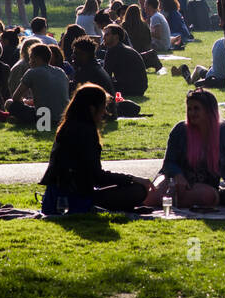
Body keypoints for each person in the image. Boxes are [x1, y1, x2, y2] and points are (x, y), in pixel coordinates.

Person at [39, 84, 153, 214]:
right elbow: (97, 176)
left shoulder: (66, 127)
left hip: (55, 197)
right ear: (92, 109)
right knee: (138, 190)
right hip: (76, 199)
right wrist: (132, 179)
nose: (105, 112)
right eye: (103, 108)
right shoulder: (87, 132)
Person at [147, 90, 225, 209]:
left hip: (201, 187)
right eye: (189, 109)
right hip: (174, 180)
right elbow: (168, 163)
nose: (191, 113)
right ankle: (179, 201)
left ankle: (179, 201)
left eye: (196, 108)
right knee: (149, 198)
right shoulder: (180, 130)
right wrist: (178, 176)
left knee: (207, 197)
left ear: (209, 110)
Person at [0, 43, 70, 129]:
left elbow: (15, 97)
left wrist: (25, 101)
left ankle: (18, 119)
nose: (29, 62)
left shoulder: (32, 72)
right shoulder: (61, 72)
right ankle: (19, 120)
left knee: (9, 103)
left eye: (30, 58)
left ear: (36, 58)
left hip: (44, 118)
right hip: (63, 118)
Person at [99, 24, 148, 96]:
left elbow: (106, 75)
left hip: (129, 88)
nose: (104, 37)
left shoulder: (113, 51)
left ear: (116, 37)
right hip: (140, 88)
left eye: (107, 35)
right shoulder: (124, 49)